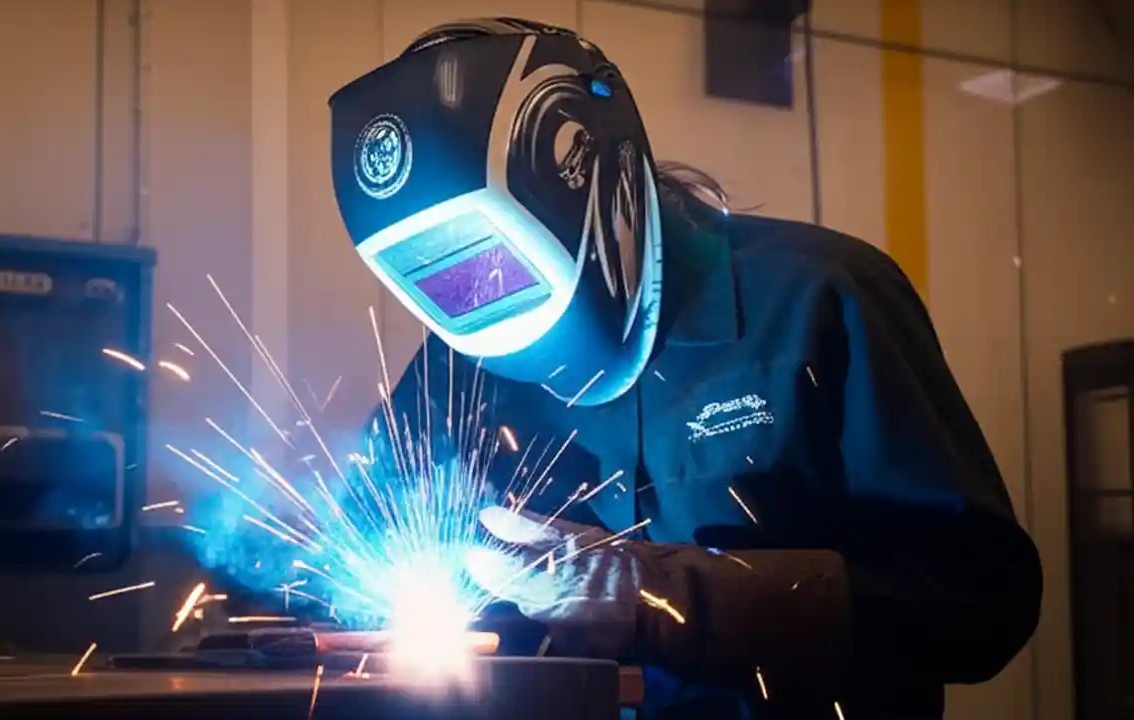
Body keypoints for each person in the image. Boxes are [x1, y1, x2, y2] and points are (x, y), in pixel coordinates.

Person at [327, 17, 1041, 719]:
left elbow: (982, 603)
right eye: (446, 281)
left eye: (496, 254)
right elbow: (351, 543)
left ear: (578, 168)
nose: (485, 296)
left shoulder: (822, 297)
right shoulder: (458, 366)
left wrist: (656, 596)